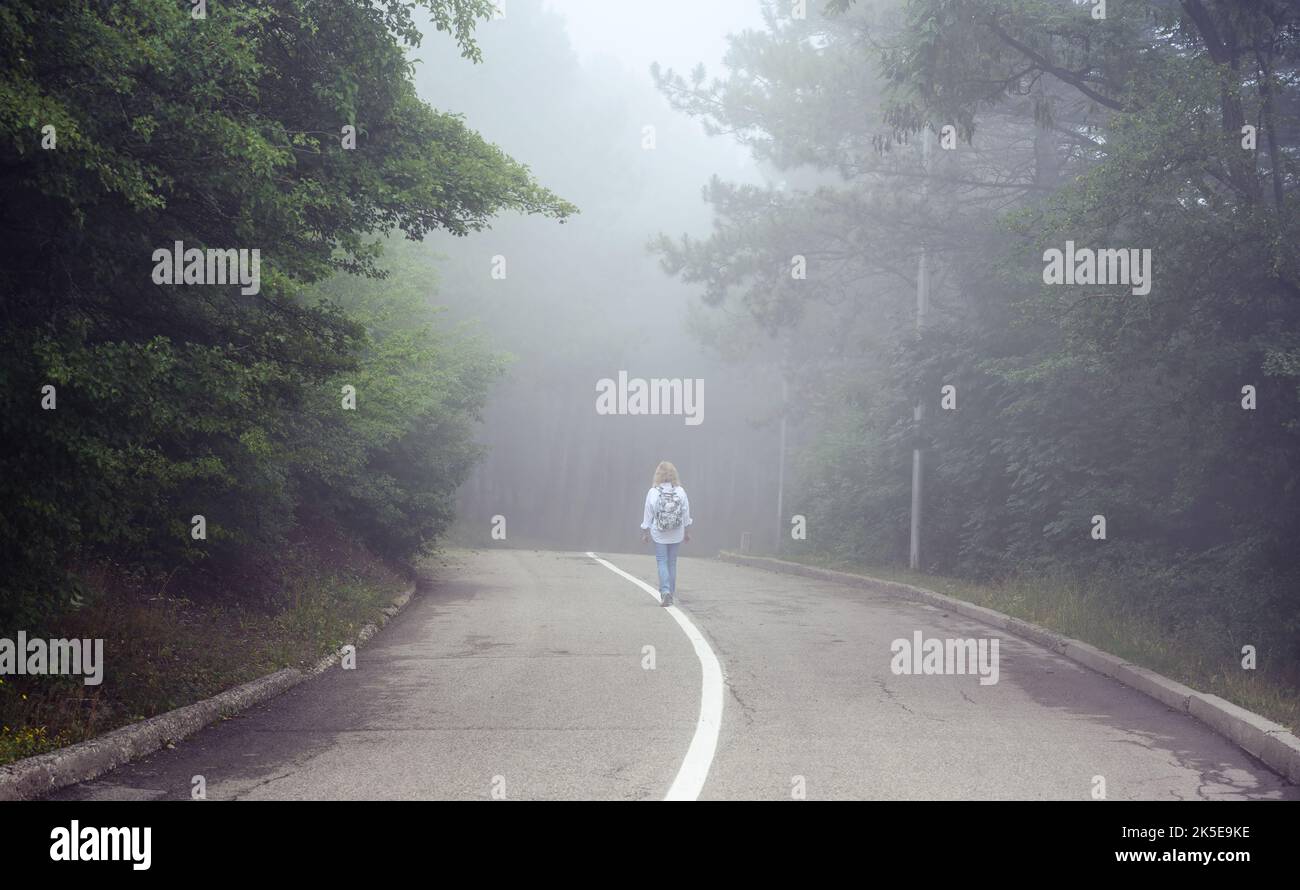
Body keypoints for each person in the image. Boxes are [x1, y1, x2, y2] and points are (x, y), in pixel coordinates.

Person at [640, 461, 692, 607]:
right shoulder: (680, 491)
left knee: (662, 561)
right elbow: (686, 513)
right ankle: (671, 592)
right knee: (672, 562)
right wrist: (687, 531)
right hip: (677, 531)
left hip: (660, 532)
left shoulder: (653, 492)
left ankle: (665, 592)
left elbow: (648, 513)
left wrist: (645, 531)